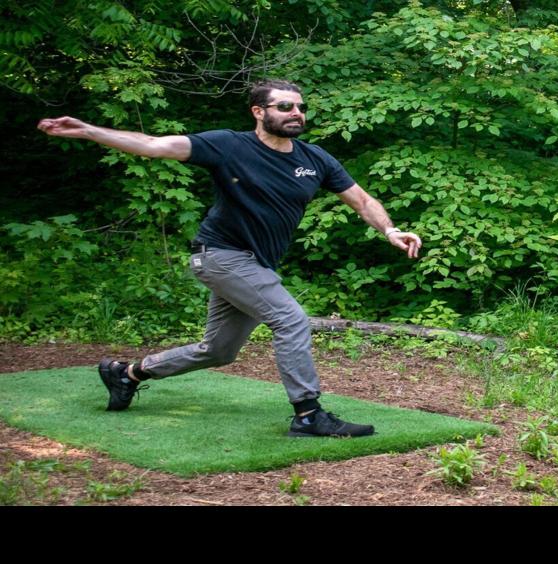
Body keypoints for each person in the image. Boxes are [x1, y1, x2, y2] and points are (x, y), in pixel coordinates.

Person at [36, 78, 423, 437]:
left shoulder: (315, 158)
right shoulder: (228, 145)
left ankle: (128, 374)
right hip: (220, 255)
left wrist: (390, 230)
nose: (296, 113)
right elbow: (153, 145)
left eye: (301, 107)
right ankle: (308, 414)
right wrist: (88, 130)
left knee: (219, 350)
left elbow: (361, 200)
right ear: (259, 111)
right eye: (285, 106)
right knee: (291, 320)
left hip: (254, 264)